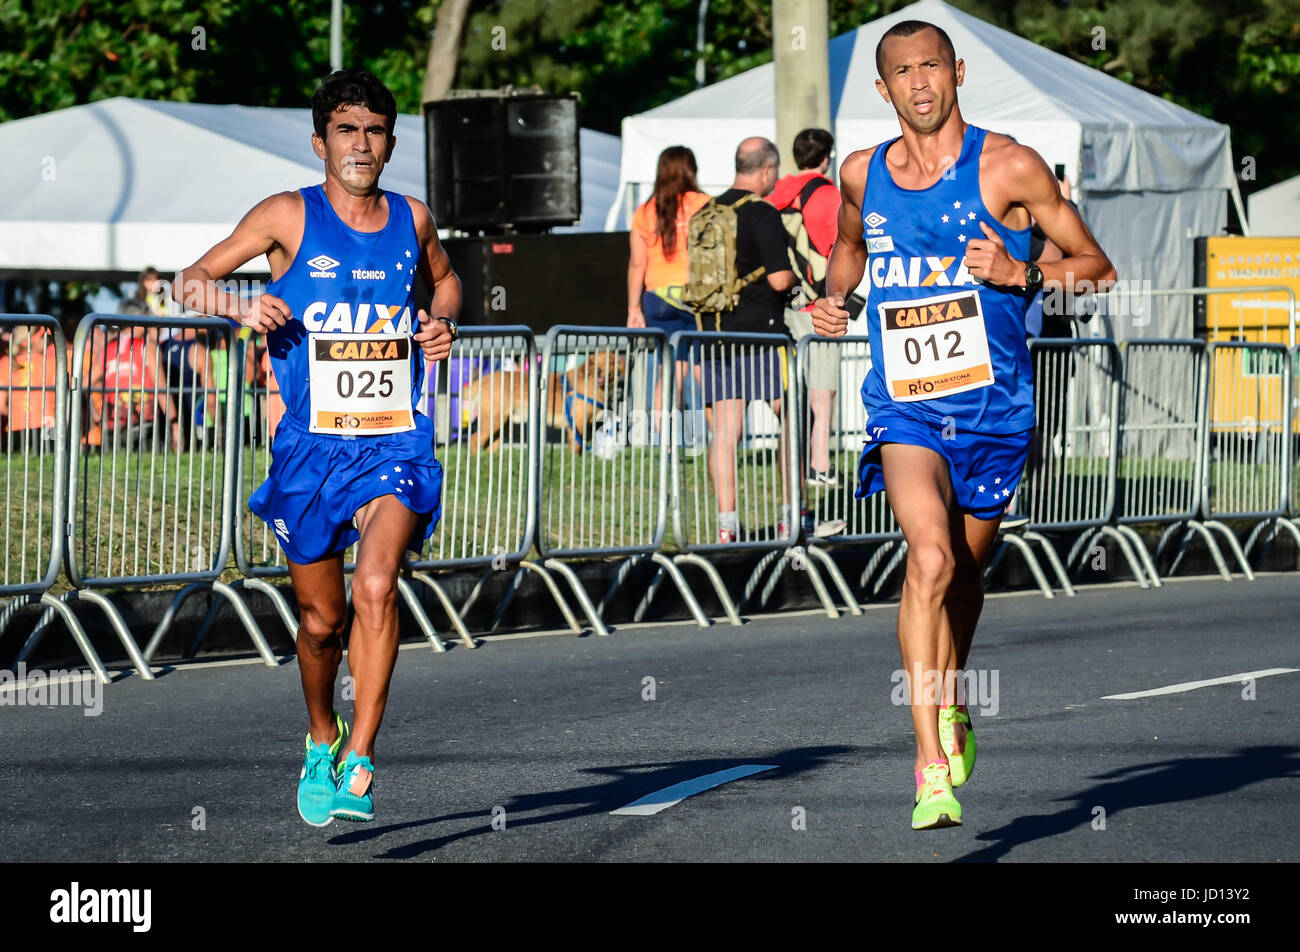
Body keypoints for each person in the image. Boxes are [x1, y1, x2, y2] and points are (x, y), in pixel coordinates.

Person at [810, 20, 1114, 830]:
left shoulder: (1009, 165)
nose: (918, 82)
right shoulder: (861, 173)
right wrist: (833, 301)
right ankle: (929, 764)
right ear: (882, 90)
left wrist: (1026, 272)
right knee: (930, 558)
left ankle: (950, 706)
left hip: (995, 410)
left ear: (958, 72)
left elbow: (1098, 271)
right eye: (901, 71)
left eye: (931, 66)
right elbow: (847, 250)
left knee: (964, 583)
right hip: (905, 406)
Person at [173, 69, 459, 827]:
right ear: (320, 141)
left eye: (373, 131)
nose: (360, 144)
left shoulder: (414, 218)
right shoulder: (286, 216)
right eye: (345, 129)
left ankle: (361, 754)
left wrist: (442, 321)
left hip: (393, 441)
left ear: (390, 144)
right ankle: (322, 735)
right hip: (307, 450)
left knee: (376, 587)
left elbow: (448, 280)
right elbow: (187, 280)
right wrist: (240, 303)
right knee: (320, 620)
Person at [701, 137, 797, 542]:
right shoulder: (761, 212)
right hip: (762, 335)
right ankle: (790, 515)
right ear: (768, 169)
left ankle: (726, 526)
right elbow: (778, 278)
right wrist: (796, 278)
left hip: (713, 333)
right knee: (792, 419)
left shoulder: (706, 211)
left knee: (726, 430)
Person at [768, 128, 843, 489]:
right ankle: (819, 462)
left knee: (793, 386)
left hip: (785, 302)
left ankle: (795, 460)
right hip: (819, 302)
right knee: (823, 386)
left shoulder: (777, 193)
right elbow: (842, 247)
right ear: (826, 157)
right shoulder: (830, 196)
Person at [627, 146, 710, 449]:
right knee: (705, 369)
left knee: (669, 371)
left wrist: (633, 308)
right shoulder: (705, 205)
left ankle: (666, 444)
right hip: (698, 298)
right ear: (691, 170)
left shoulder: (645, 211)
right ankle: (720, 442)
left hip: (658, 298)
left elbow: (638, 264)